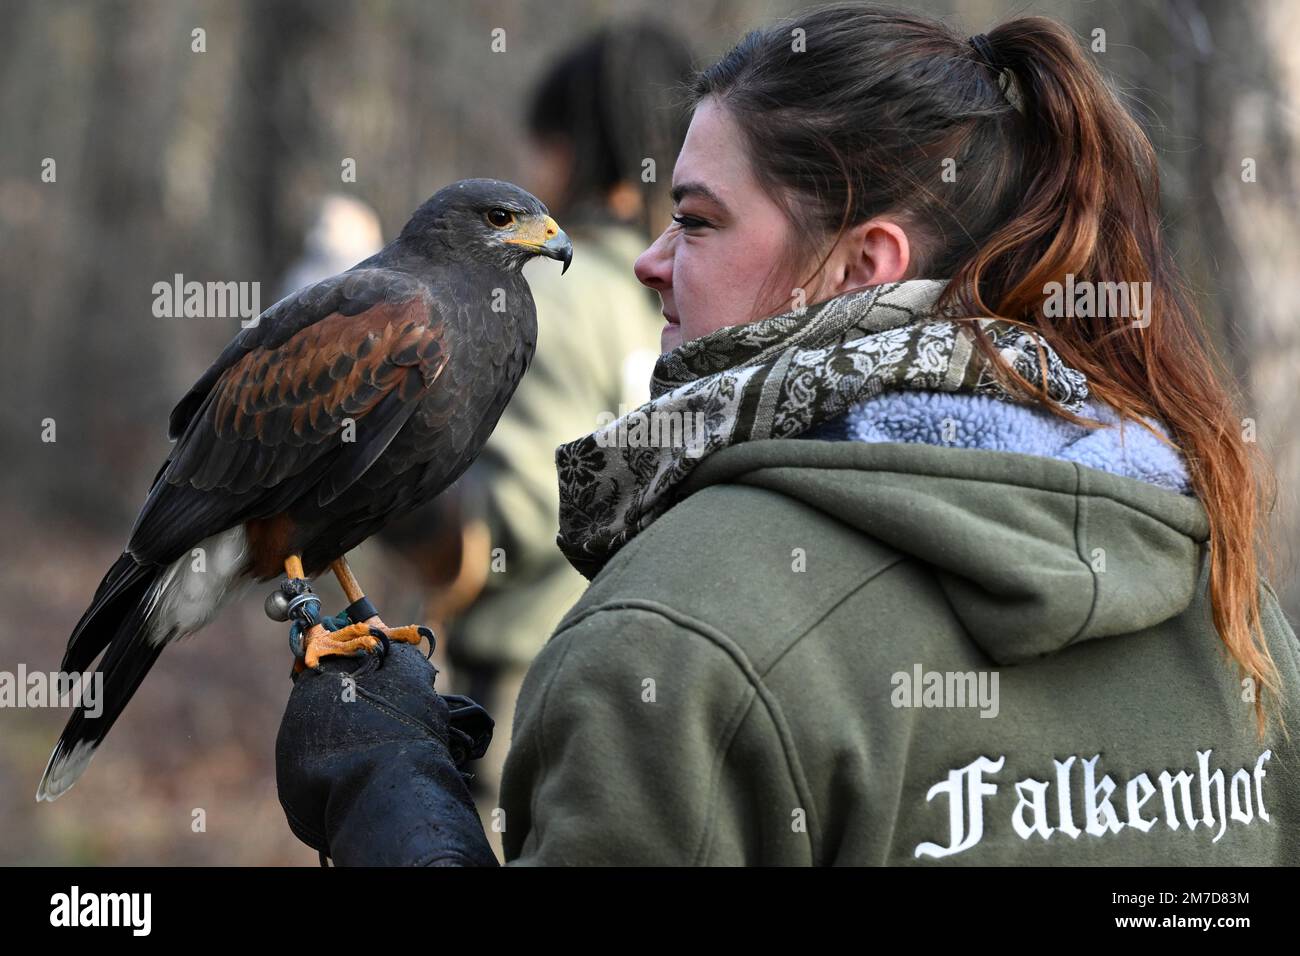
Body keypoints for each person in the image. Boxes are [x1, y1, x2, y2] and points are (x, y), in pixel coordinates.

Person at [275, 4, 1300, 866]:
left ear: (862, 265)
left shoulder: (674, 642)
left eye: (700, 220)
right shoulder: (1229, 592)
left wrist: (395, 813)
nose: (649, 261)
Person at [372, 20, 693, 859]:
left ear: (572, 147)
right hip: (662, 695)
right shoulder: (681, 294)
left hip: (518, 696)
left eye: (542, 144)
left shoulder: (558, 292)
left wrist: (360, 395)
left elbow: (489, 531)